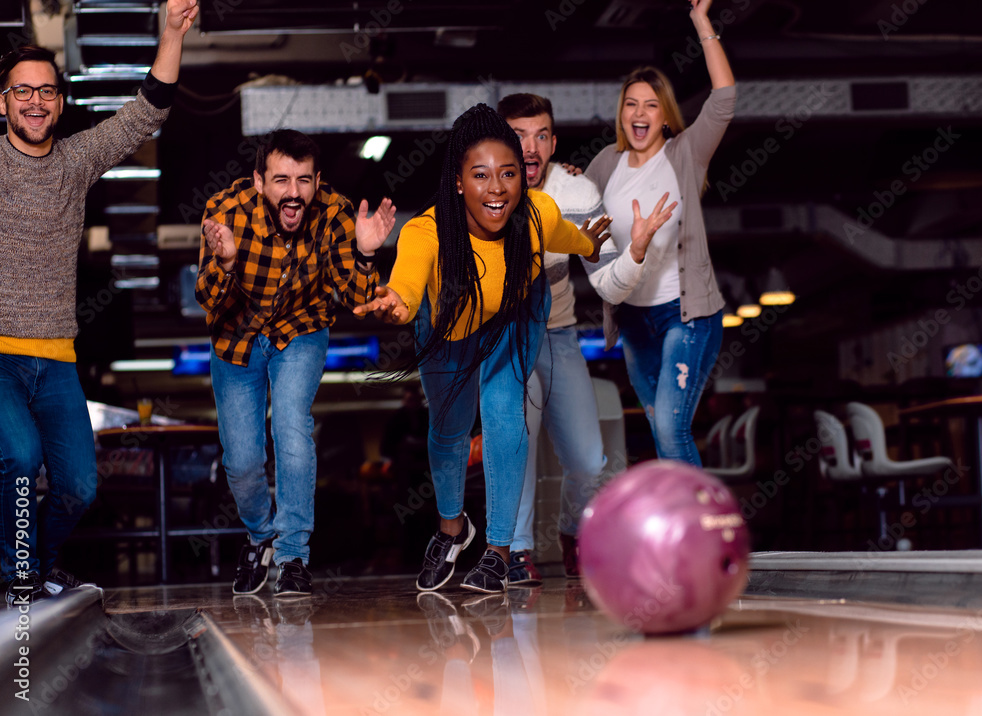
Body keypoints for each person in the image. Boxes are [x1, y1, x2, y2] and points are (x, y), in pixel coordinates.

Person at [354, 103, 609, 593]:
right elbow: (405, 290)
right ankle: (452, 530)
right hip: (448, 325)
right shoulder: (426, 231)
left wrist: (593, 246)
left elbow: (573, 239)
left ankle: (498, 552)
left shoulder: (539, 213)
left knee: (505, 417)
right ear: (457, 181)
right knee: (448, 432)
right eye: (481, 175)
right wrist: (393, 303)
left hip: (515, 315)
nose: (497, 189)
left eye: (509, 174)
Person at [0, 0, 199, 606]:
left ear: (60, 101)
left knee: (80, 488)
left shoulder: (76, 160)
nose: (35, 101)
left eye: (46, 92)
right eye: (21, 92)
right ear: (1, 102)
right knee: (20, 457)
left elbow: (149, 110)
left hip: (58, 358)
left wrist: (171, 31)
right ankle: (19, 577)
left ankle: (37, 561)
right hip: (1, 355)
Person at [196, 129, 396, 598]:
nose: (293, 193)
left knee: (291, 428)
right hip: (236, 337)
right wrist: (225, 264)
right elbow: (209, 302)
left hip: (300, 331)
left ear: (317, 180)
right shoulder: (225, 212)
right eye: (281, 180)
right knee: (242, 460)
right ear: (259, 179)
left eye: (303, 181)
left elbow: (355, 297)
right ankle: (260, 535)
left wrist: (366, 253)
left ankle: (292, 556)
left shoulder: (335, 212)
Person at [497, 93, 676, 580]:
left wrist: (634, 253)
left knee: (587, 459)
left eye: (540, 136)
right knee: (519, 441)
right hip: (504, 341)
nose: (529, 148)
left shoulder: (576, 194)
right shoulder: (483, 192)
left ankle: (573, 531)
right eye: (516, 136)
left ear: (553, 142)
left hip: (557, 336)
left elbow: (606, 282)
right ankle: (515, 553)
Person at [584, 0, 736, 466]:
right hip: (633, 320)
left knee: (671, 429)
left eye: (651, 104)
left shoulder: (685, 152)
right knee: (657, 427)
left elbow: (724, 97)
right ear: (622, 114)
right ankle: (686, 527)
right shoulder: (604, 165)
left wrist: (701, 22)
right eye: (631, 103)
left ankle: (700, 533)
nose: (639, 112)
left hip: (685, 314)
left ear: (665, 115)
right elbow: (579, 222)